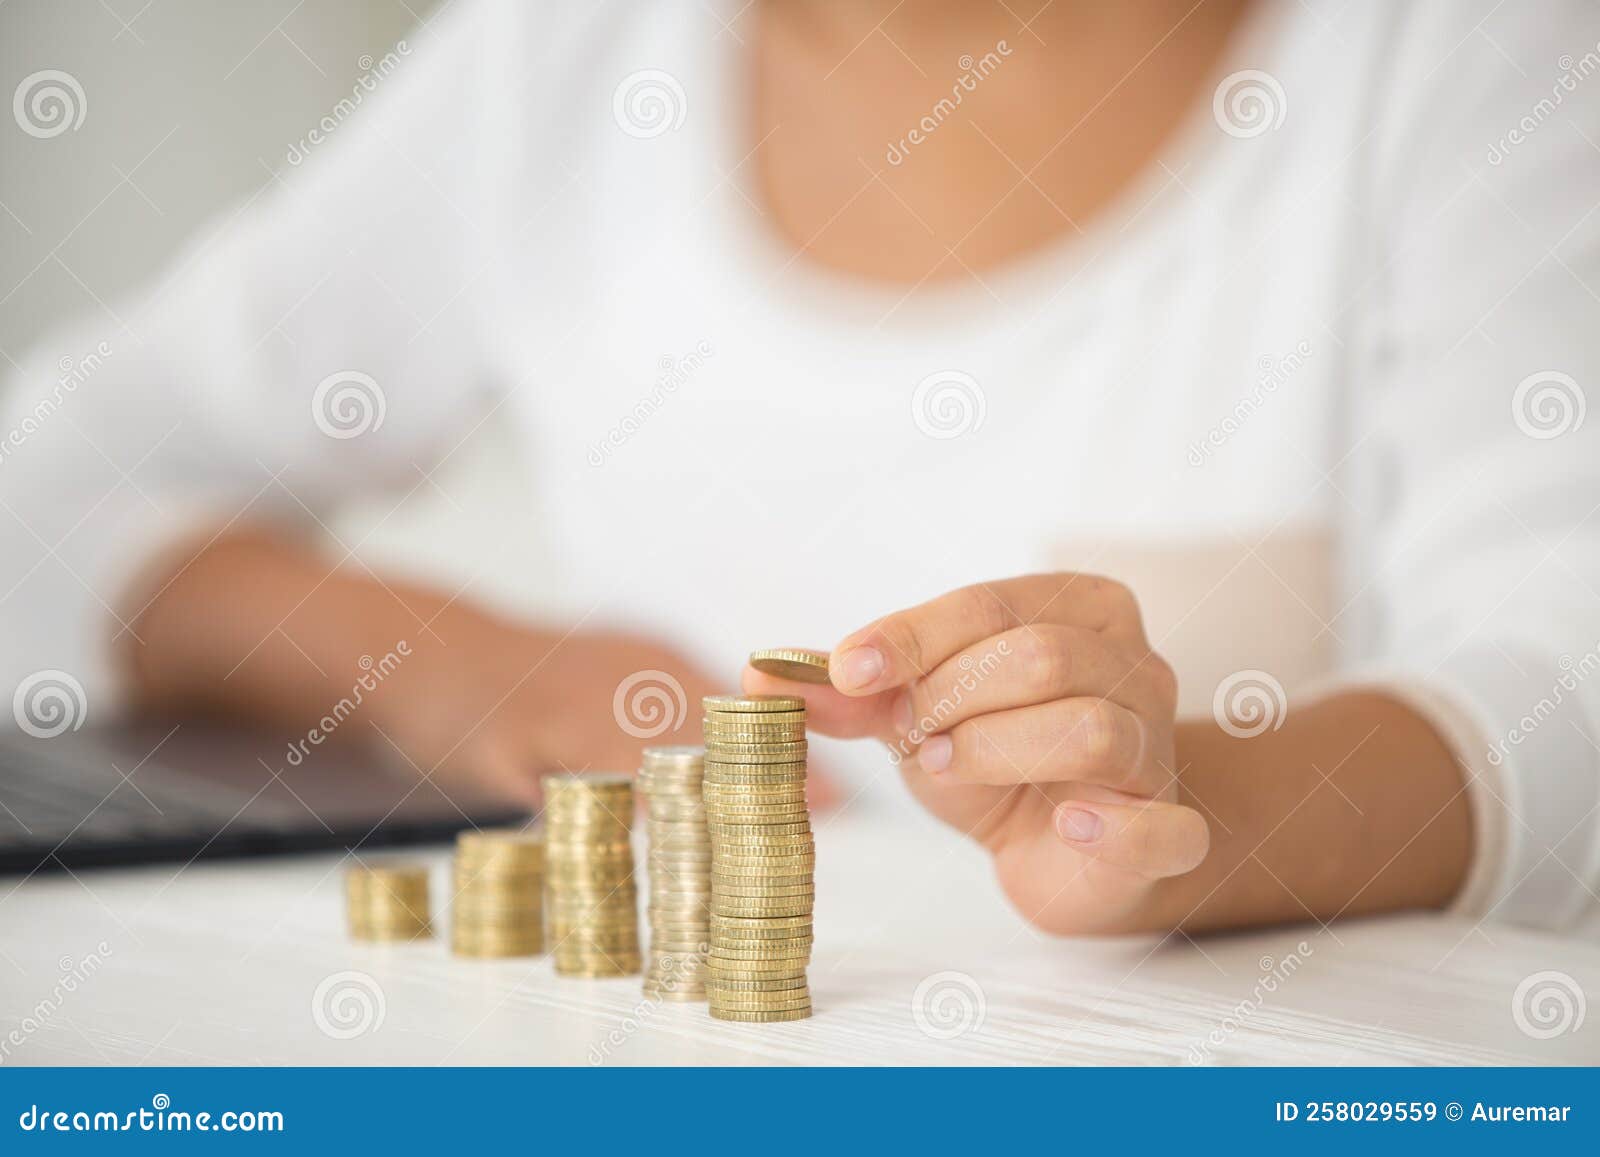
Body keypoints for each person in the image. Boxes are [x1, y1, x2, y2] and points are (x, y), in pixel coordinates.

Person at [3, 0, 1598, 937]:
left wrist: (1206, 820)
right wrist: (440, 664)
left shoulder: (1458, 53)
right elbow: (39, 484)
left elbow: (1564, 667)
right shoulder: (555, 59)